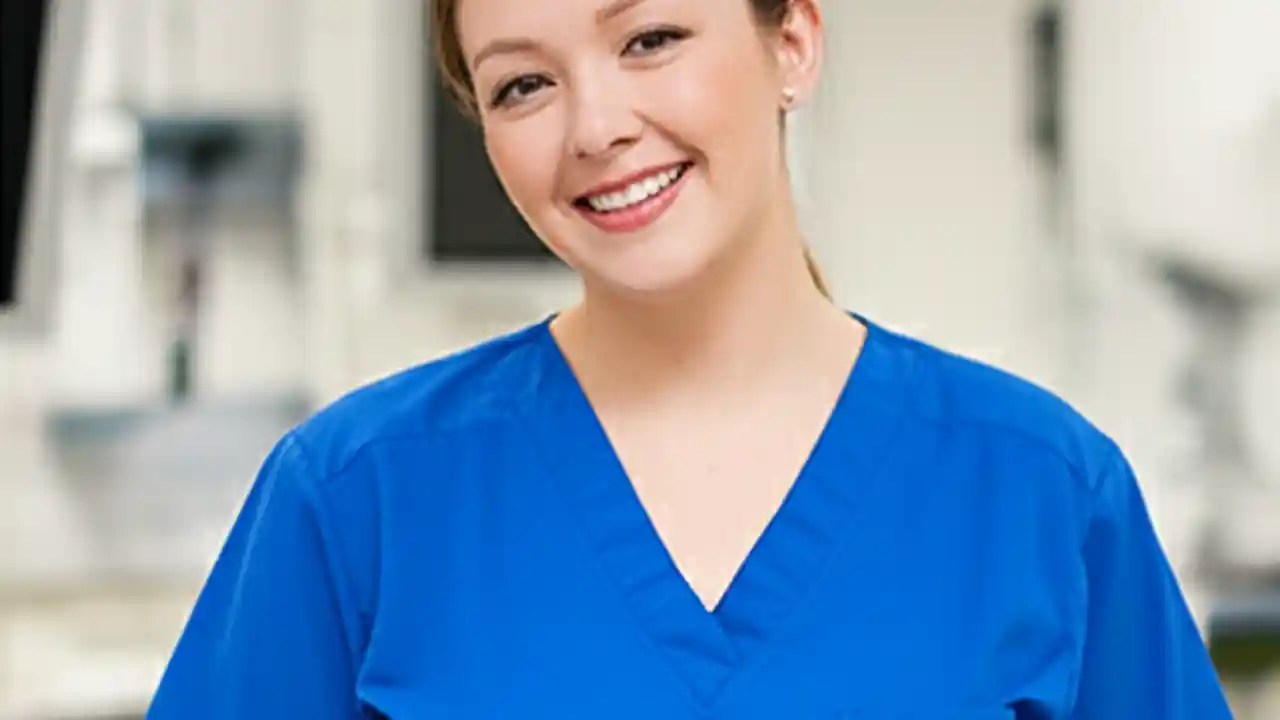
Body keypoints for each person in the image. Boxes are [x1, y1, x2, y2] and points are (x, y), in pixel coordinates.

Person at [148, 0, 1233, 717]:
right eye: (522, 85)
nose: (594, 125)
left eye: (650, 38)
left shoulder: (1037, 489)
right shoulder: (358, 499)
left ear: (792, 40)